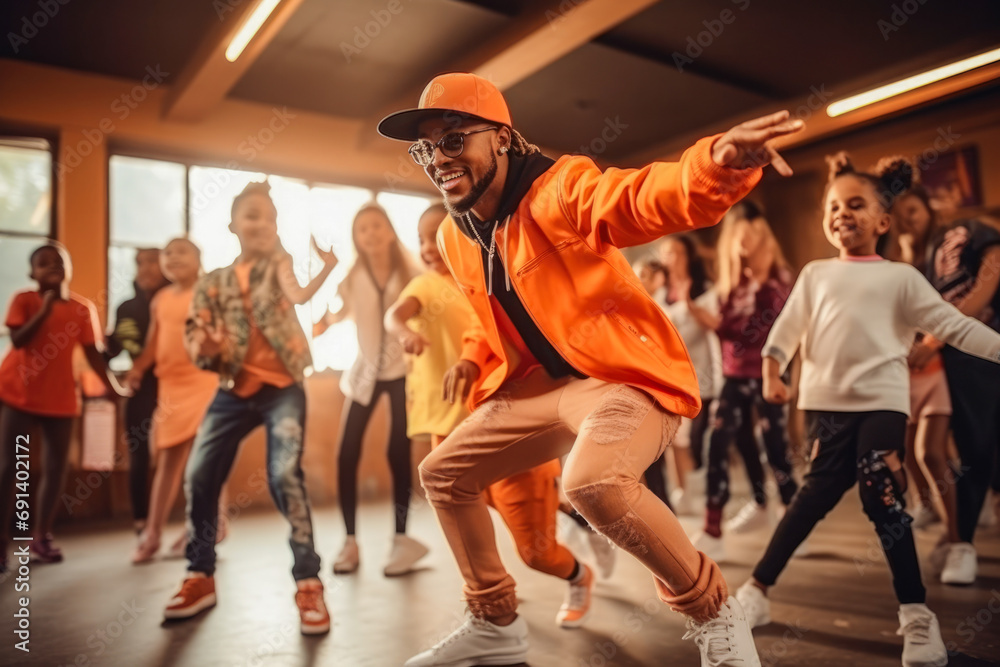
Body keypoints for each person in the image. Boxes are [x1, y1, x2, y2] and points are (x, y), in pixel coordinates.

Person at [377, 71, 804, 667]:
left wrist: (717, 164)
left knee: (593, 484)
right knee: (444, 474)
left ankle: (715, 611)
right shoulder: (456, 235)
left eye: (454, 140)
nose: (437, 159)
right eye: (425, 148)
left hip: (619, 379)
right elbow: (488, 313)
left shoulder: (559, 187)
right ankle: (496, 621)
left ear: (500, 137)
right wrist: (475, 357)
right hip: (539, 390)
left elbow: (635, 198)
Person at [733, 154, 1000, 667]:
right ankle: (757, 590)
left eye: (856, 205)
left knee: (881, 494)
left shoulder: (901, 279)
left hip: (882, 404)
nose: (841, 213)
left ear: (883, 221)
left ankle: (918, 619)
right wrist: (771, 371)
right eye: (834, 206)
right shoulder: (814, 275)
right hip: (825, 410)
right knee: (812, 498)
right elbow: (783, 333)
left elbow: (954, 326)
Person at [385, 203, 595, 627]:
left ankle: (578, 571)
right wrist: (407, 334)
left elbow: (489, 334)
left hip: (506, 424)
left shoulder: (494, 277)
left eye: (437, 236)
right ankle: (495, 610)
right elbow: (397, 316)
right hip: (451, 426)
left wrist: (472, 360)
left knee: (536, 554)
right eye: (422, 238)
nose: (430, 247)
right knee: (463, 504)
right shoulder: (425, 286)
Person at [162, 181, 336, 635]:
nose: (261, 224)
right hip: (232, 392)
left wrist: (328, 267)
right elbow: (197, 343)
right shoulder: (212, 283)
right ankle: (200, 575)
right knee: (199, 474)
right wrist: (213, 346)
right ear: (233, 225)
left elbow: (298, 296)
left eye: (270, 218)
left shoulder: (279, 264)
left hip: (283, 389)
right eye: (252, 215)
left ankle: (308, 580)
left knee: (283, 475)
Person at [885, 160, 1000, 585]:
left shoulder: (962, 230)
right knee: (973, 448)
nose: (907, 222)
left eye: (912, 212)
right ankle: (961, 542)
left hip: (986, 345)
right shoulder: (917, 264)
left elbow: (992, 268)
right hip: (962, 367)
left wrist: (940, 336)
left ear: (928, 207)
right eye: (899, 219)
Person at [313, 203, 428, 577]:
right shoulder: (352, 276)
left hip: (402, 374)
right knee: (347, 453)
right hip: (364, 374)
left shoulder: (410, 272)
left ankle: (400, 539)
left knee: (398, 452)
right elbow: (338, 312)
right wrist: (323, 324)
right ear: (356, 239)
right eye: (363, 229)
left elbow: (427, 310)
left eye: (377, 226)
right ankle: (349, 540)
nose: (371, 234)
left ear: (391, 231)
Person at [0, 242, 129, 572]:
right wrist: (43, 311)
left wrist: (114, 389)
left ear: (69, 269)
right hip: (17, 395)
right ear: (32, 273)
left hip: (60, 400)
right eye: (43, 263)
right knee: (10, 469)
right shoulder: (24, 300)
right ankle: (2, 543)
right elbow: (18, 341)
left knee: (56, 469)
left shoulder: (82, 309)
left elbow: (92, 355)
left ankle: (40, 536)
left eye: (59, 261)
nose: (52, 266)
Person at [694, 202, 799, 561]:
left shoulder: (777, 280)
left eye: (748, 233)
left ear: (762, 237)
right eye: (736, 233)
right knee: (718, 442)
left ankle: (791, 518)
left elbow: (769, 329)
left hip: (767, 373)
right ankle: (713, 527)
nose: (741, 239)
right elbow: (730, 332)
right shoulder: (731, 282)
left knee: (775, 447)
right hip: (733, 376)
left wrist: (717, 325)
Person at [125, 239, 225, 564]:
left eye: (182, 252)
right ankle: (152, 533)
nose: (173, 258)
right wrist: (138, 369)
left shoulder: (209, 292)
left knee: (204, 461)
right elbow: (154, 341)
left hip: (203, 382)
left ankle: (213, 525)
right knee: (166, 461)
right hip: (170, 388)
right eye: (168, 253)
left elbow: (220, 335)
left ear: (199, 259)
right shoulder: (161, 299)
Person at [653, 235, 723, 515]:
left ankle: (698, 490)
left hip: (701, 377)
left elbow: (708, 326)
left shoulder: (705, 289)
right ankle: (683, 493)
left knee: (695, 440)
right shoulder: (657, 291)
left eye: (677, 253)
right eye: (666, 253)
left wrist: (688, 304)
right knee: (672, 439)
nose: (671, 259)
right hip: (668, 376)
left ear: (688, 256)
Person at [105, 247, 169, 535]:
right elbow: (113, 348)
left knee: (179, 452)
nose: (146, 269)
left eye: (153, 262)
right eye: (141, 263)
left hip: (174, 386)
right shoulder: (126, 309)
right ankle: (141, 521)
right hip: (141, 388)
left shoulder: (175, 301)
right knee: (138, 452)